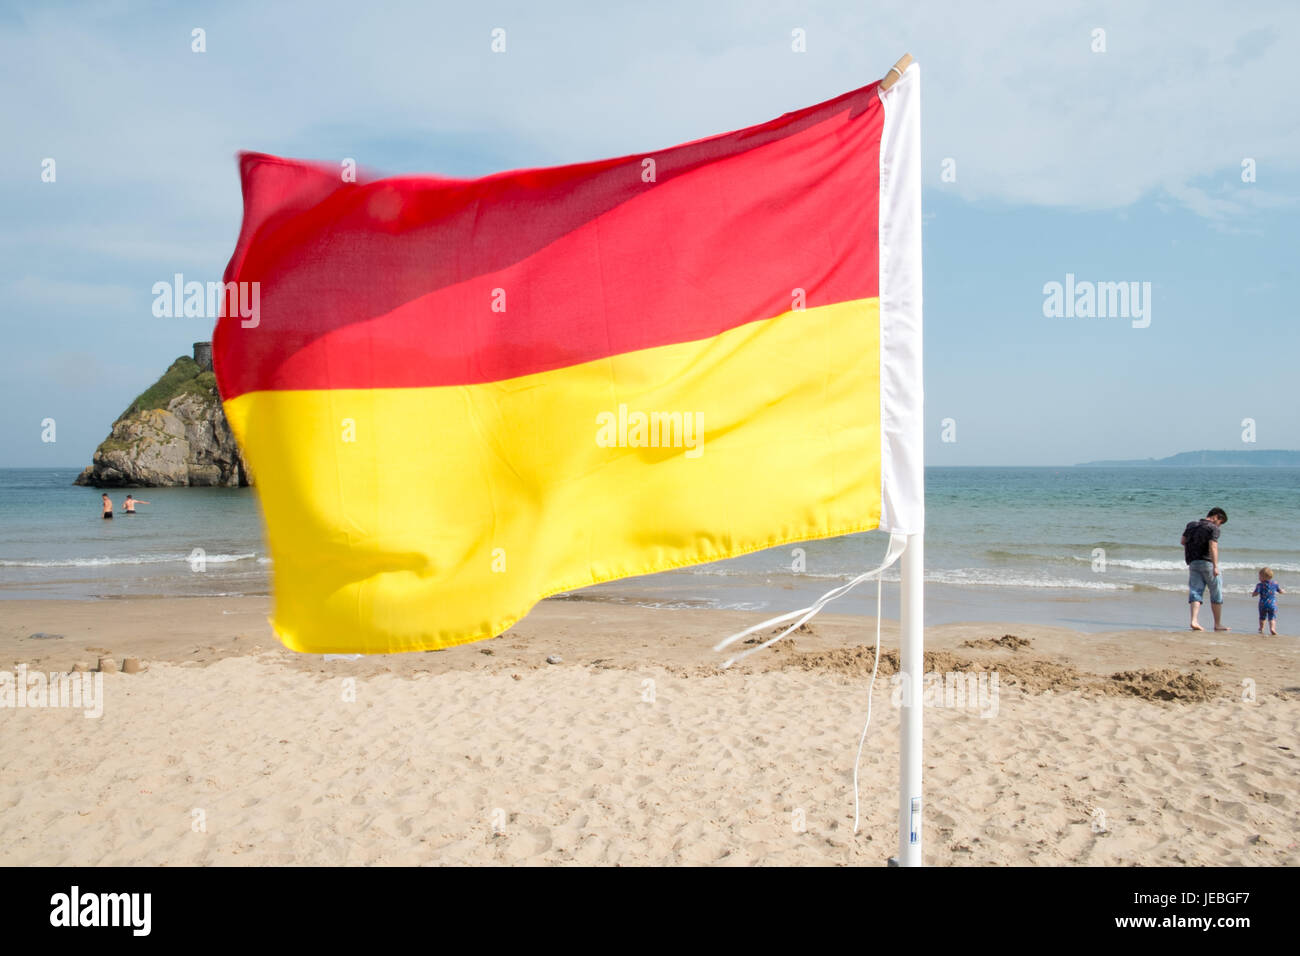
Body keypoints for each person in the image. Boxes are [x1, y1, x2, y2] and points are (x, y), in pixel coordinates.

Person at [1181, 506, 1228, 632]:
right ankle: (1217, 624)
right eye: (1220, 522)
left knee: (1196, 591)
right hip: (1207, 563)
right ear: (1216, 517)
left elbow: (1183, 541)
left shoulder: (1191, 525)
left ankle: (1194, 620)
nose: (1220, 526)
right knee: (1216, 592)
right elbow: (1213, 547)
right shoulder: (1213, 528)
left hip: (1193, 562)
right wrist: (1216, 566)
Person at [1252, 568, 1284, 636]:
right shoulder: (1275, 583)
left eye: (1259, 576)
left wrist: (1253, 594)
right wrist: (1283, 591)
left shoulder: (1259, 585)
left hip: (1262, 604)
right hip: (1272, 604)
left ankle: (1261, 628)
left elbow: (1256, 593)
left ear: (1263, 577)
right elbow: (1280, 591)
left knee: (1262, 617)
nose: (1259, 577)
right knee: (1272, 617)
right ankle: (1272, 628)